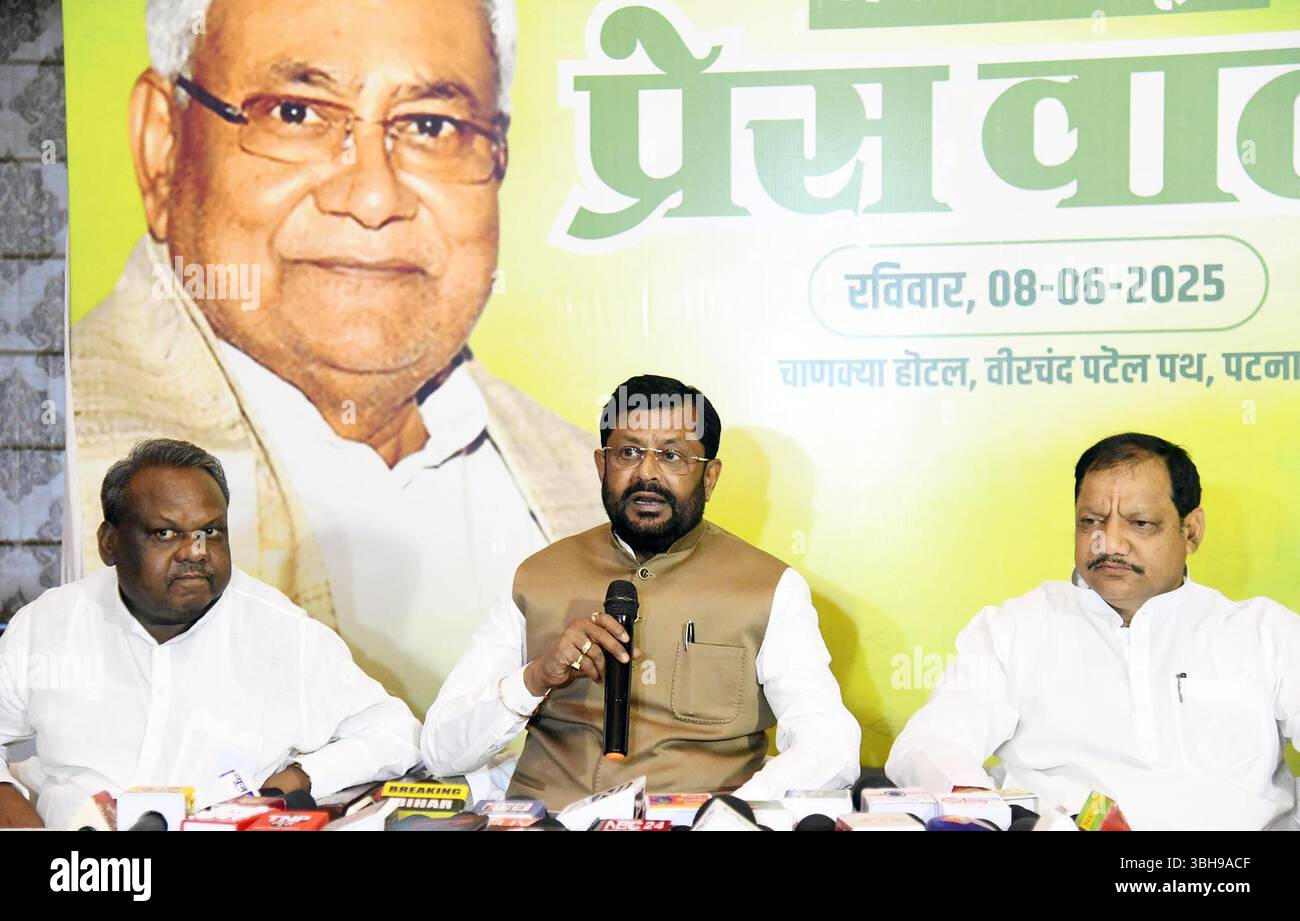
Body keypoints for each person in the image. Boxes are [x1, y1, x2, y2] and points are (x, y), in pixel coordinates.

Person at [69, 0, 603, 711]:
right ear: (161, 145)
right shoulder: (46, 465)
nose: (373, 194)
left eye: (431, 126)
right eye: (297, 113)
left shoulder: (585, 484)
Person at [422, 375, 860, 809]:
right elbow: (441, 749)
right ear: (601, 465)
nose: (647, 474)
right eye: (629, 452)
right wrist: (534, 679)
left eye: (672, 455)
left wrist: (733, 810)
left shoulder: (769, 588)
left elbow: (830, 744)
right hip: (548, 819)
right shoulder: (537, 577)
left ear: (710, 477)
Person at [886, 432, 1300, 830]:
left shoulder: (1264, 633)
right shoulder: (1015, 628)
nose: (1109, 543)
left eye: (1139, 523)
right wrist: (983, 807)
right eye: (1091, 521)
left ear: (1191, 531)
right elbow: (931, 742)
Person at [0, 439, 420, 829]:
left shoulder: (285, 636)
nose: (195, 552)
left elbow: (396, 733)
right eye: (165, 533)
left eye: (210, 531)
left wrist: (301, 776)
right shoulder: (48, 625)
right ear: (110, 543)